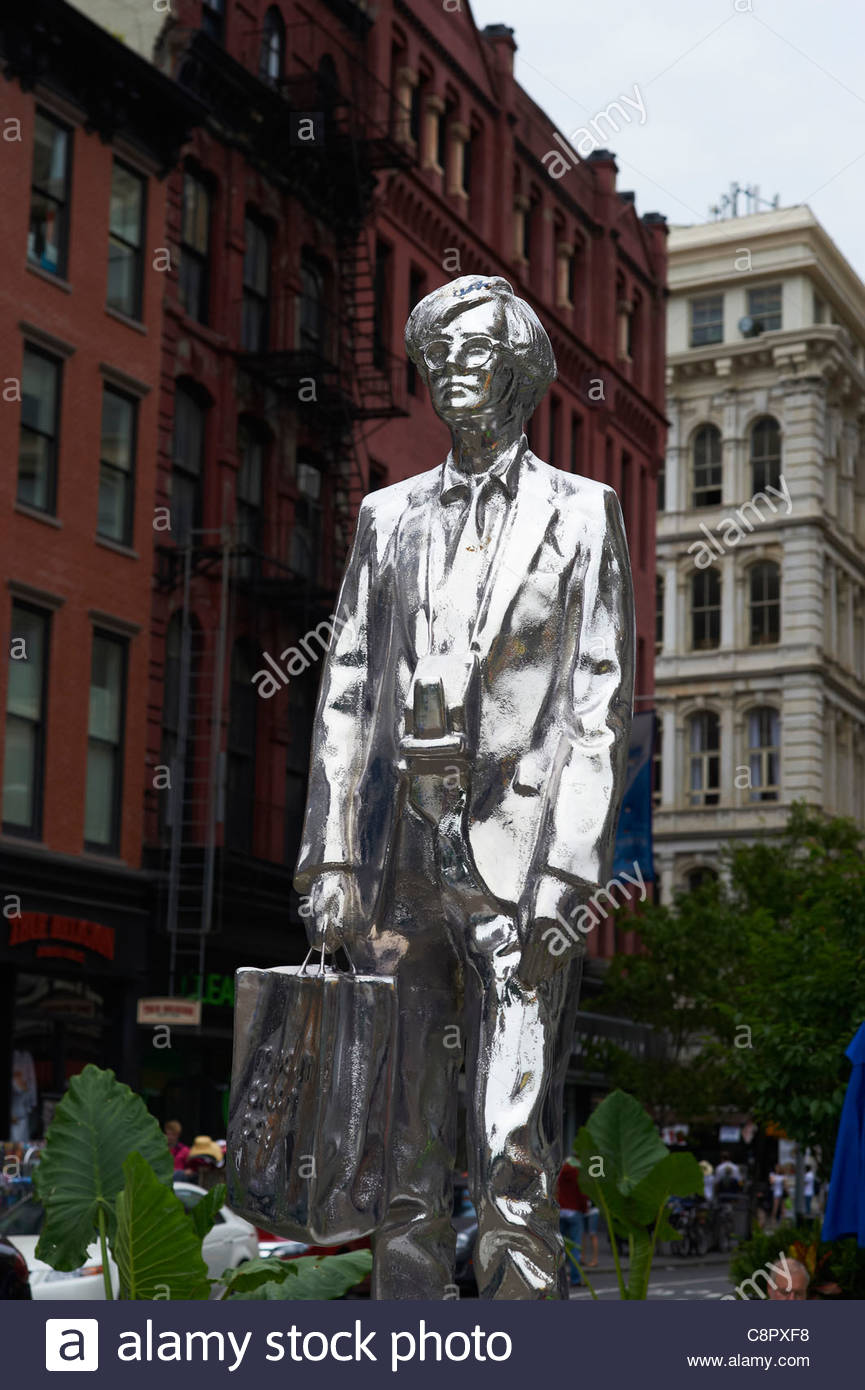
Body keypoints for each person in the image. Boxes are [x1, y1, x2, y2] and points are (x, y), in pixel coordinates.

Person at [295, 275, 634, 1300]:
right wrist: (334, 853)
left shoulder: (582, 513)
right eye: (437, 355)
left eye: (475, 351)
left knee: (510, 1144)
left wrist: (570, 878)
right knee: (400, 1150)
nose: (453, 372)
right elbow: (345, 689)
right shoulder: (384, 517)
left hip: (520, 870)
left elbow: (598, 700)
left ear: (524, 371)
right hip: (399, 867)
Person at [556, 1160, 588, 1287]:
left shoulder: (559, 1173)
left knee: (559, 1247)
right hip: (574, 1211)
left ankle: (558, 1279)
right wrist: (584, 1209)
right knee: (575, 1247)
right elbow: (582, 1194)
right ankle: (575, 1279)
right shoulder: (578, 1174)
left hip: (561, 1210)